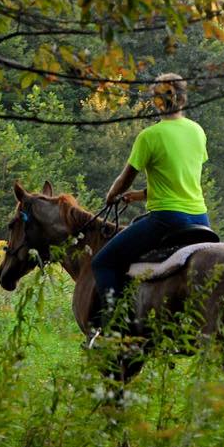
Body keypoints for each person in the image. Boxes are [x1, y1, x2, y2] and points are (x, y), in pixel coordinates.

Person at [90, 72, 210, 329]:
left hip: (167, 220)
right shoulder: (198, 132)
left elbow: (125, 179)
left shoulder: (150, 136)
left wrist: (112, 196)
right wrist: (143, 195)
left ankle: (114, 330)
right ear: (183, 98)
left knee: (103, 262)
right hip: (201, 219)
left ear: (157, 101)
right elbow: (181, 178)